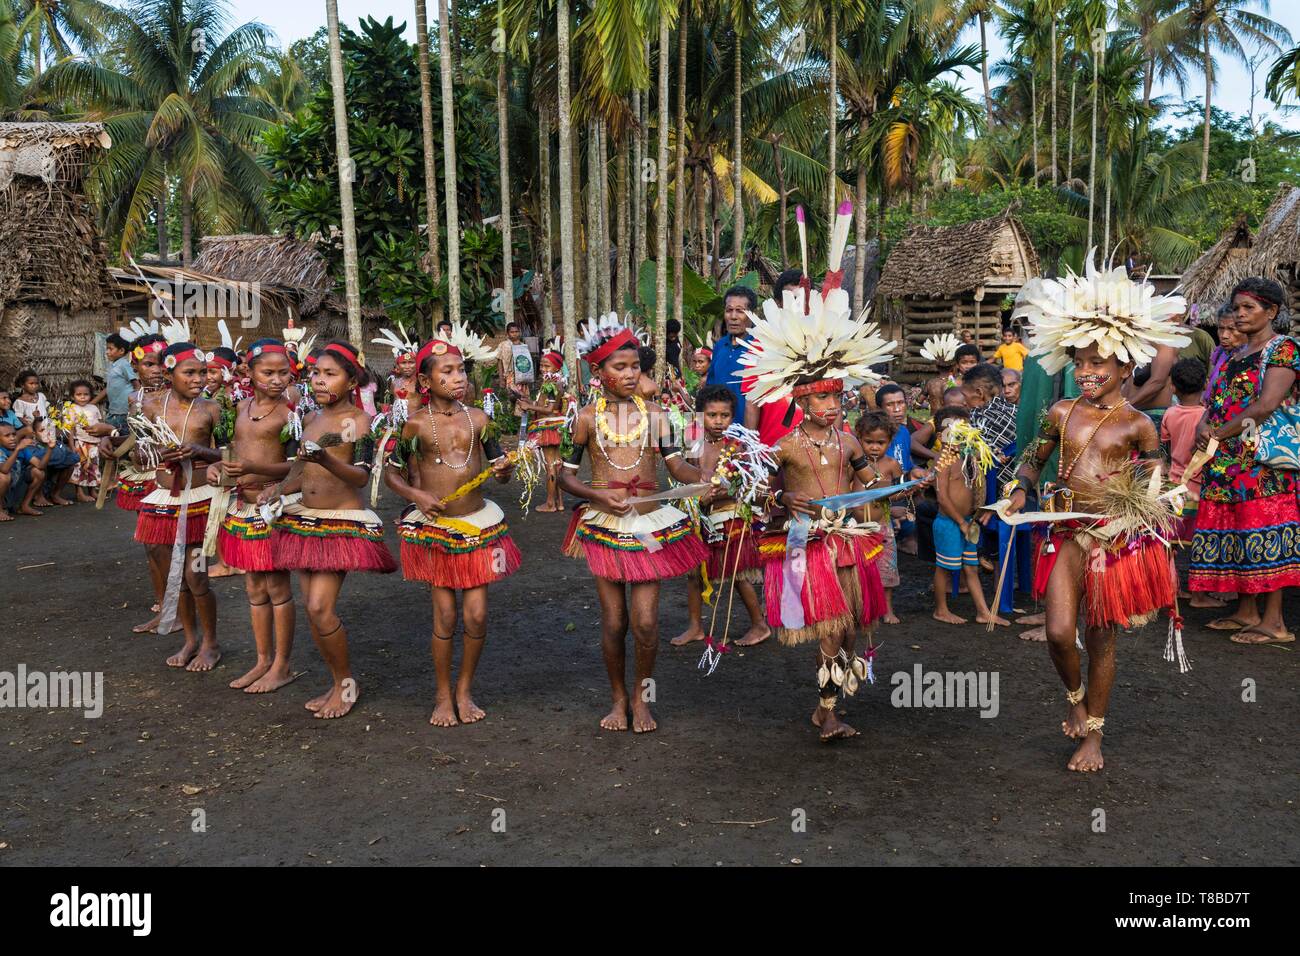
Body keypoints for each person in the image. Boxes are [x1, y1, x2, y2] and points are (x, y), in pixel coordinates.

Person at [1008, 258, 1189, 772]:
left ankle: (1094, 735)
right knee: (1060, 632)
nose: (1086, 373)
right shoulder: (1061, 411)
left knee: (1101, 636)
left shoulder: (1138, 425)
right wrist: (1020, 489)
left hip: (1113, 539)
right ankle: (1075, 702)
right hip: (1064, 531)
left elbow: (1156, 482)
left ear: (1125, 368)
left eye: (1098, 364)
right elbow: (1033, 458)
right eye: (1080, 363)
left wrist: (1149, 504)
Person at [744, 253, 896, 743]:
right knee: (830, 631)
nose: (833, 407)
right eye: (823, 400)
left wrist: (902, 484)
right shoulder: (785, 447)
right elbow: (761, 497)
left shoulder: (848, 440)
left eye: (836, 399)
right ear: (802, 402)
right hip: (808, 543)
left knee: (850, 631)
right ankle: (828, 711)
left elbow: (871, 481)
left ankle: (827, 704)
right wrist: (784, 502)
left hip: (849, 541)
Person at [557, 315, 709, 733]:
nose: (628, 375)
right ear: (598, 371)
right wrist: (595, 494)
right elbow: (565, 475)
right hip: (604, 526)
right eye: (618, 368)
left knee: (645, 622)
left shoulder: (657, 414)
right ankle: (617, 699)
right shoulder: (586, 418)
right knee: (614, 622)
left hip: (649, 526)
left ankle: (643, 699)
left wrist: (709, 480)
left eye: (634, 367)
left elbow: (676, 465)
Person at [386, 327, 520, 727]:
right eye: (447, 372)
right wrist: (416, 496)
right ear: (425, 381)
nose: (458, 378)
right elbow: (391, 473)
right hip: (438, 529)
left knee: (476, 616)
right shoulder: (413, 426)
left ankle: (465, 689)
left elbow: (501, 477)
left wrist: (505, 470)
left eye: (461, 370)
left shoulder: (481, 420)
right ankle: (443, 694)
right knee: (444, 617)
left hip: (477, 526)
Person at [260, 342, 397, 719]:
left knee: (321, 607)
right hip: (306, 519)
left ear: (352, 380)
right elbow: (301, 471)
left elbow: (361, 476)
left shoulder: (363, 422)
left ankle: (347, 683)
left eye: (330, 374)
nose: (319, 380)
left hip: (341, 522)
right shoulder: (310, 419)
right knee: (313, 610)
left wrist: (323, 457)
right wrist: (278, 488)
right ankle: (336, 683)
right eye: (316, 373)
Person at [1189, 278, 1300, 645]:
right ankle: (1246, 611)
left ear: (1272, 311)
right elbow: (1215, 402)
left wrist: (1219, 434)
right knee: (1238, 533)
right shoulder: (1233, 354)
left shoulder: (1283, 350)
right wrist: (1205, 425)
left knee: (1264, 533)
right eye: (1237, 308)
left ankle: (1275, 623)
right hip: (1227, 461)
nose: (1239, 314)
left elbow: (1266, 405)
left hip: (1262, 464)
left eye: (1249, 308)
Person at [208, 338, 299, 694]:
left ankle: (282, 665)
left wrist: (254, 467)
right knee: (253, 587)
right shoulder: (240, 407)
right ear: (248, 372)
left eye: (283, 373)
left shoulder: (290, 413)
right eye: (268, 373)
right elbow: (230, 453)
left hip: (271, 509)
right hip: (242, 506)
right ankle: (263, 659)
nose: (277, 380)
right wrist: (219, 467)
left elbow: (295, 464)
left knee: (277, 588)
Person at [134, 339, 224, 672]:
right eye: (190, 373)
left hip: (200, 503)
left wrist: (201, 452)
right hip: (163, 501)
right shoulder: (151, 406)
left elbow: (230, 455)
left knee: (196, 576)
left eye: (203, 372)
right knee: (178, 577)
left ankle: (211, 644)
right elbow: (139, 453)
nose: (199, 379)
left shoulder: (212, 409)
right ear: (170, 372)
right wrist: (157, 455)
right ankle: (190, 640)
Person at [672, 385, 770, 648]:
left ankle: (760, 625)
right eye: (711, 415)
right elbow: (687, 472)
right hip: (698, 514)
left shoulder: (737, 446)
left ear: (733, 416)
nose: (718, 421)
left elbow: (745, 486)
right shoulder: (694, 441)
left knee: (737, 573)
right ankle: (695, 626)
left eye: (724, 416)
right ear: (700, 414)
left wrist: (714, 495)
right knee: (694, 573)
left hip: (728, 514)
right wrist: (695, 498)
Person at [929, 406, 1006, 626]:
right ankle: (941, 610)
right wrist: (962, 522)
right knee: (944, 568)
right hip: (950, 524)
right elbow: (943, 498)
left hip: (966, 523)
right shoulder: (943, 461)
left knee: (971, 568)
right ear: (940, 436)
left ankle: (983, 612)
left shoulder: (967, 457)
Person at [853, 411, 904, 624]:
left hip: (883, 525)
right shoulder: (853, 464)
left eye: (880, 443)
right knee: (859, 569)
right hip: (857, 526)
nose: (874, 447)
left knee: (886, 568)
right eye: (869, 442)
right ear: (858, 438)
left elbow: (900, 490)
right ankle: (862, 609)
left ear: (890, 441)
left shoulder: (891, 465)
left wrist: (902, 492)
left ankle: (887, 609)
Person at [744, 270, 803, 445]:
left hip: (815, 455)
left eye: (802, 299)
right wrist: (751, 448)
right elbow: (752, 401)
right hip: (771, 449)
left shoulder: (824, 341)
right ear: (778, 304)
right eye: (791, 300)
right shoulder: (760, 344)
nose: (797, 306)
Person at [516, 342, 569, 512]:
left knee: (550, 465)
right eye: (541, 365)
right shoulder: (556, 382)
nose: (543, 369)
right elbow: (546, 404)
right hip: (556, 426)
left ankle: (550, 503)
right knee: (557, 464)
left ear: (556, 367)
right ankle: (559, 503)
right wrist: (529, 402)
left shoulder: (552, 384)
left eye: (547, 366)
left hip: (549, 427)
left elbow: (549, 409)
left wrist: (529, 407)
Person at [12, 370, 77, 506]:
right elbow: (21, 422)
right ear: (23, 385)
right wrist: (35, 422)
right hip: (35, 436)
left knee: (70, 460)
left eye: (36, 383)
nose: (34, 386)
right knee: (43, 462)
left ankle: (55, 494)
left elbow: (47, 414)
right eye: (31, 383)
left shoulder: (41, 396)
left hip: (48, 433)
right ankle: (39, 495)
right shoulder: (19, 402)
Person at [706, 285, 759, 420]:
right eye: (729, 310)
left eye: (740, 311)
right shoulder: (720, 346)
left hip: (748, 433)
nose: (733, 317)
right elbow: (710, 390)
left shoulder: (760, 347)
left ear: (753, 314)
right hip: (720, 431)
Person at [0, 420, 51, 518]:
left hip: (15, 485)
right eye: (7, 436)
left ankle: (24, 506)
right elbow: (4, 469)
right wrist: (17, 450)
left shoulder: (22, 449)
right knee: (3, 477)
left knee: (39, 472)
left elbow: (40, 465)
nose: (12, 438)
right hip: (4, 484)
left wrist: (50, 449)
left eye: (14, 435)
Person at [66, 379, 102, 501]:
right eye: (79, 394)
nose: (82, 397)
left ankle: (92, 490)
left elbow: (100, 425)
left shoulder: (93, 408)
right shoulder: (71, 409)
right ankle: (79, 493)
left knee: (93, 467)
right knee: (80, 467)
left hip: (94, 442)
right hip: (80, 442)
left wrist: (101, 441)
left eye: (86, 394)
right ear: (72, 396)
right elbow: (70, 429)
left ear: (90, 395)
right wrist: (71, 446)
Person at [1203, 302, 1243, 403]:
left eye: (1231, 329)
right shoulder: (1221, 352)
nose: (1224, 335)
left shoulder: (1253, 359)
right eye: (1221, 328)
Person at [919, 333, 961, 418]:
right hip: (949, 419)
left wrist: (917, 405)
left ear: (937, 367)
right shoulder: (954, 383)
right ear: (952, 367)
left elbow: (919, 401)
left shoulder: (930, 383)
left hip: (933, 419)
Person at [104, 332, 137, 432]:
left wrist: (135, 407)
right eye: (107, 348)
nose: (107, 352)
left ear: (121, 350)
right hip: (115, 411)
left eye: (110, 349)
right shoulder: (114, 365)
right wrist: (92, 403)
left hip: (124, 411)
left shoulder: (124, 364)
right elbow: (108, 388)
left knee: (122, 435)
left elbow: (136, 384)